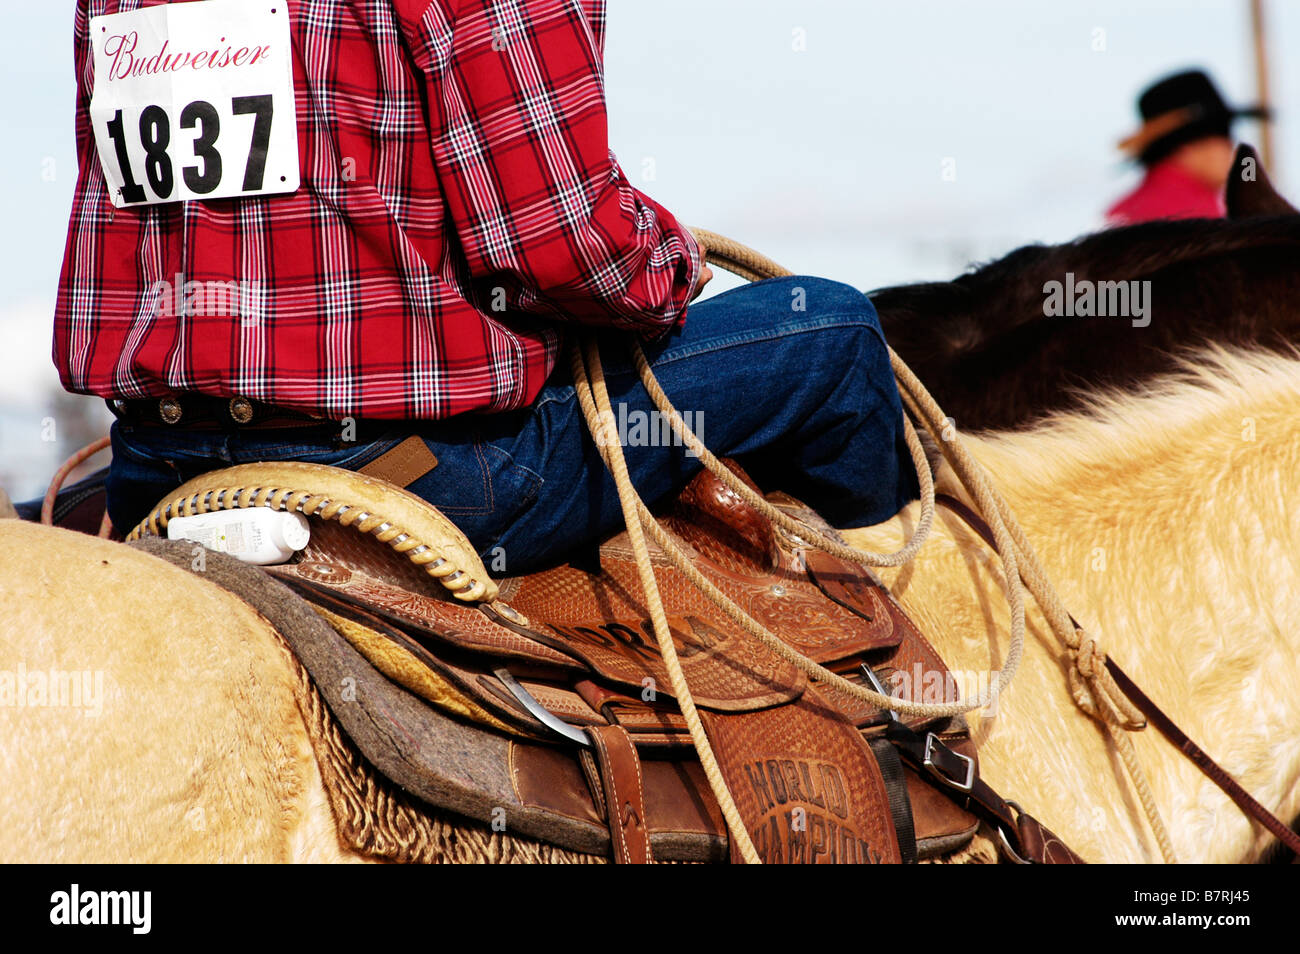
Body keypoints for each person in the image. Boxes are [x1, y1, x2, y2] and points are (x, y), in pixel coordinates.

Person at [55, 0, 917, 575]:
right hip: (406, 470)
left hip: (160, 463)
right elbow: (559, 244)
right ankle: (894, 692)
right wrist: (670, 262)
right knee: (832, 333)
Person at [1105, 68, 1270, 226]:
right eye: (1224, 137)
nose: (1231, 150)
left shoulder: (1117, 213)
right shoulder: (1202, 217)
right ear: (1188, 147)